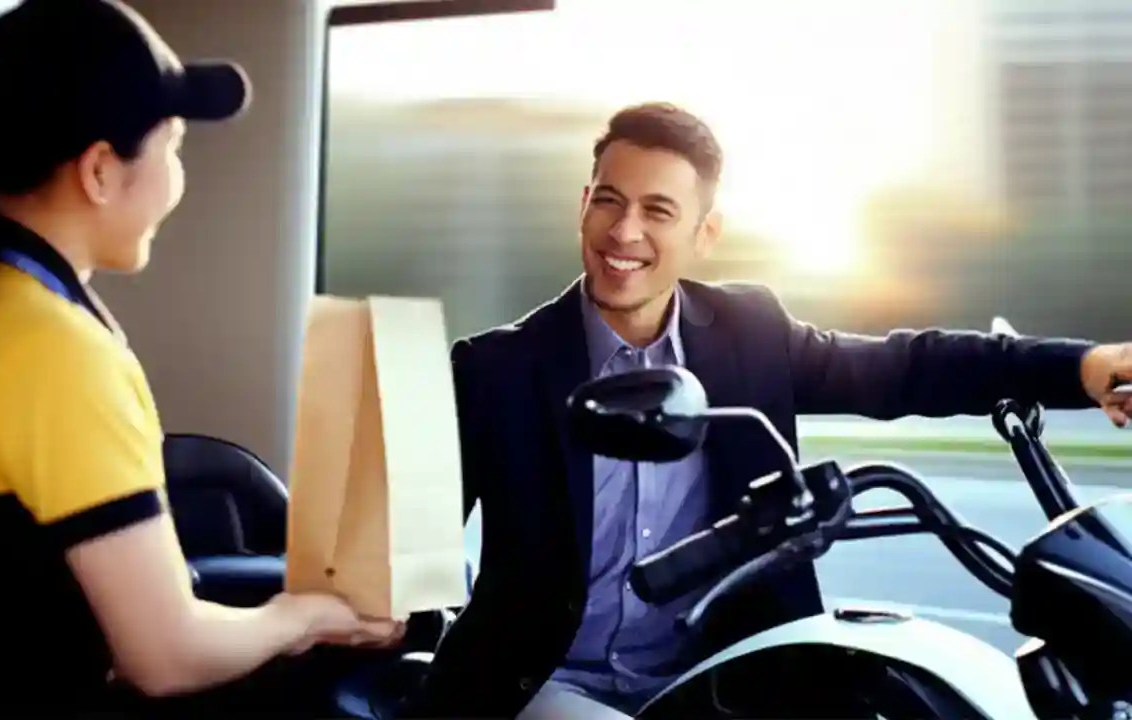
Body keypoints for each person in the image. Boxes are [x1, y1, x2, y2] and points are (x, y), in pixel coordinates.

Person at [410, 101, 1132, 718]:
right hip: (549, 681)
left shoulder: (750, 334)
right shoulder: (496, 368)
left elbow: (904, 367)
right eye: (608, 200)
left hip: (723, 677)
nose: (625, 232)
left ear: (704, 234)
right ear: (583, 205)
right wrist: (382, 614)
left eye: (658, 210)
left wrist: (1082, 367)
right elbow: (409, 550)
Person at [0, 1, 401, 716]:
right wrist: (302, 617)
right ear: (98, 171)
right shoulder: (51, 349)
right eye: (173, 147)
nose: (178, 177)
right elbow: (165, 655)